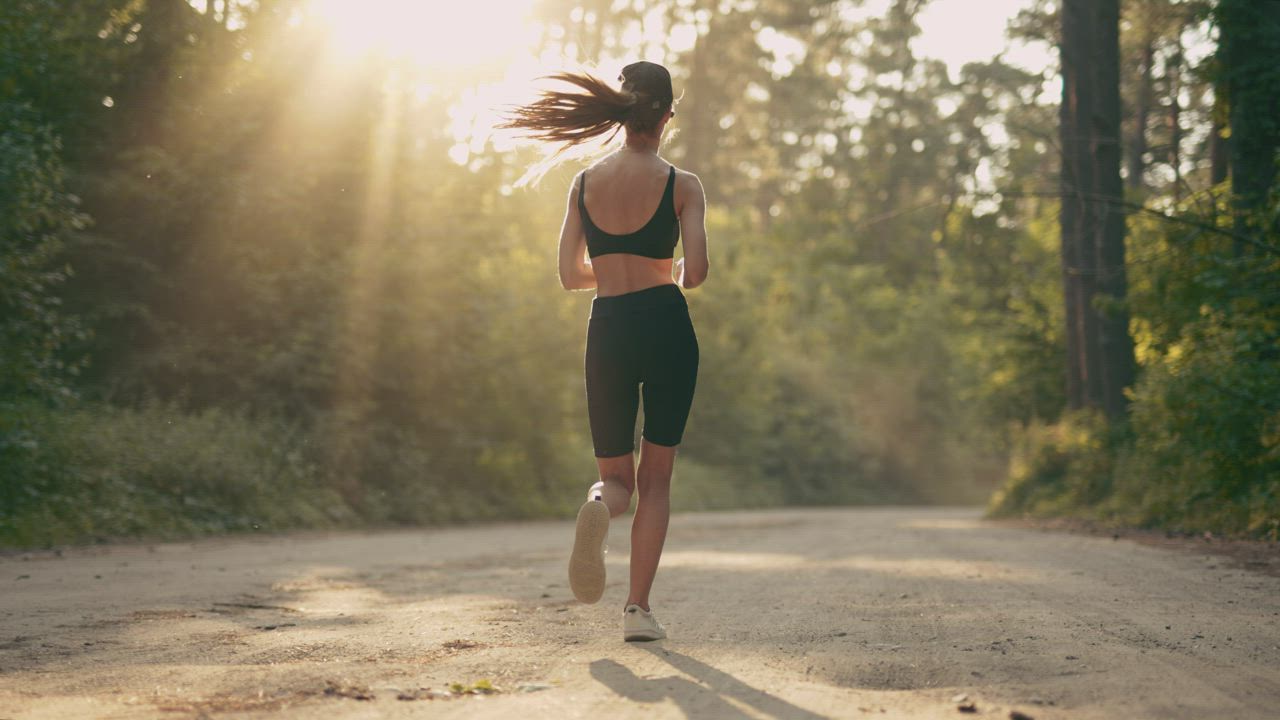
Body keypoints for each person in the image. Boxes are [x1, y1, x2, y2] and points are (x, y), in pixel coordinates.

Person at [500, 61, 708, 642]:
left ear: (620, 113)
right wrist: (666, 267)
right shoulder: (682, 185)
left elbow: (569, 275)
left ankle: (596, 505)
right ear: (667, 114)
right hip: (666, 327)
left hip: (609, 327)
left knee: (617, 480)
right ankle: (637, 612)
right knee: (658, 479)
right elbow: (696, 276)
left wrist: (614, 271)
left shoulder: (584, 183)